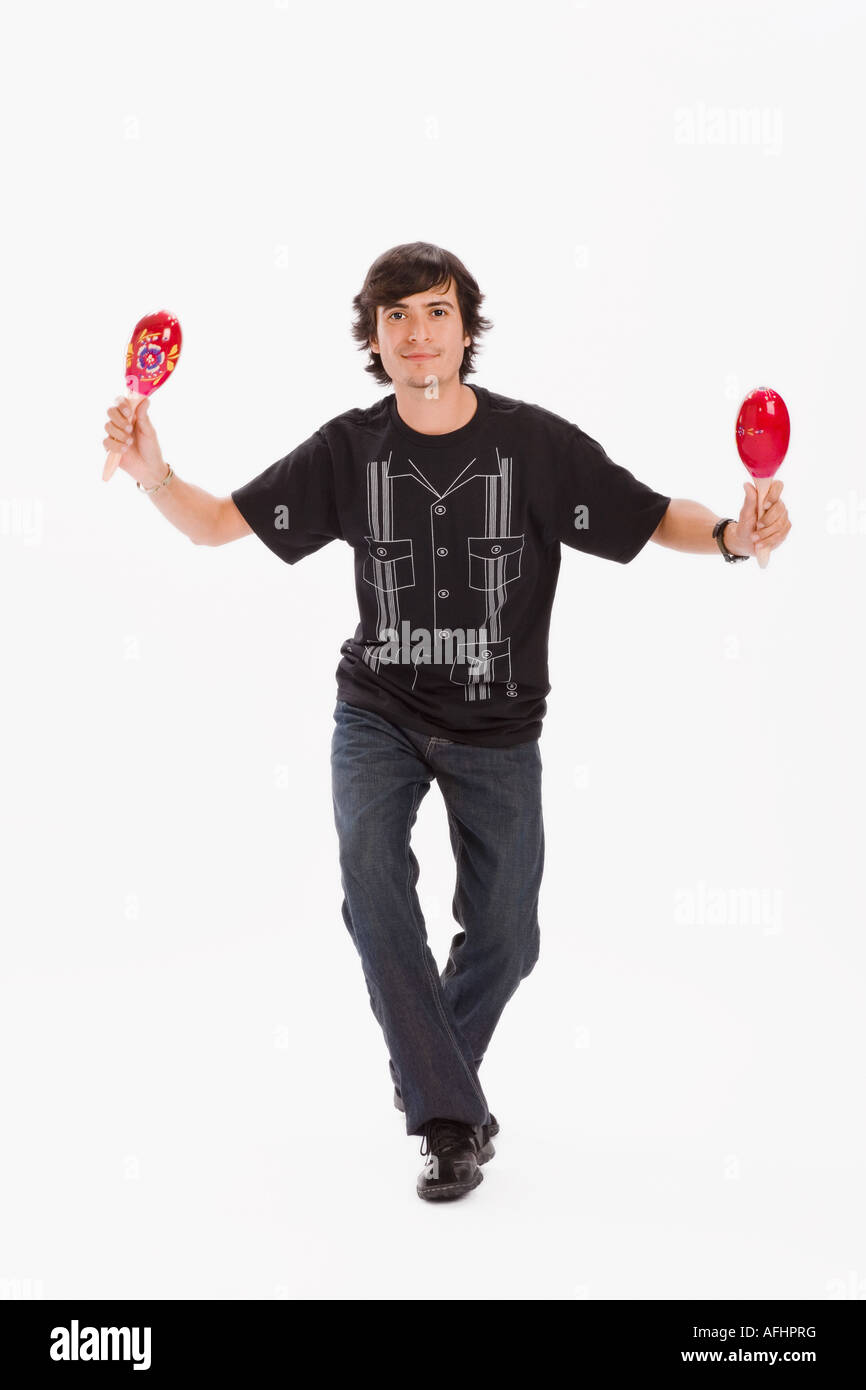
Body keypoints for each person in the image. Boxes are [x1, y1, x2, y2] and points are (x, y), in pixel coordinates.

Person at [101, 242, 792, 1202]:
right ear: (374, 340)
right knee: (370, 878)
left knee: (510, 935)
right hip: (378, 712)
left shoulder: (532, 445)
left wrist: (728, 534)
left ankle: (443, 1091)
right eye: (396, 318)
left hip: (497, 727)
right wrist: (151, 469)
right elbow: (218, 524)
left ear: (467, 327)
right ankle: (448, 1125)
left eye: (434, 312)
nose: (416, 334)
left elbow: (647, 515)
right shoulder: (351, 448)